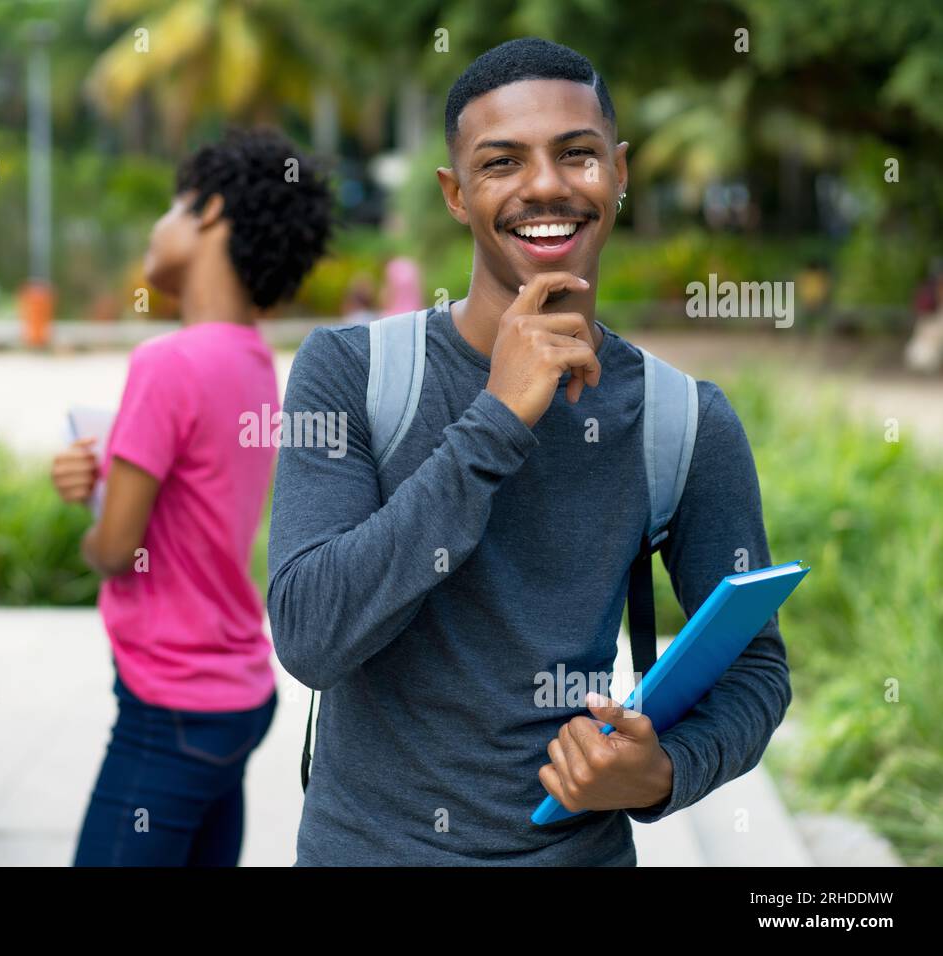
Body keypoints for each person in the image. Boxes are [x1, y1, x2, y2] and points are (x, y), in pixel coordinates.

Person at [267, 38, 793, 865]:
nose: (545, 185)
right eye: (502, 162)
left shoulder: (683, 418)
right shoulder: (350, 374)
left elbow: (755, 670)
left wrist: (663, 772)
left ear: (619, 173)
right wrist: (497, 420)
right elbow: (310, 637)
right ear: (456, 192)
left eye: (577, 154)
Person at [53, 127, 334, 866]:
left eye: (171, 206)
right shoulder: (253, 362)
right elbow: (197, 501)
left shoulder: (167, 361)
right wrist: (108, 477)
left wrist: (93, 529)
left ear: (210, 212)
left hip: (170, 703)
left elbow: (117, 551)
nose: (158, 226)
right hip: (235, 693)